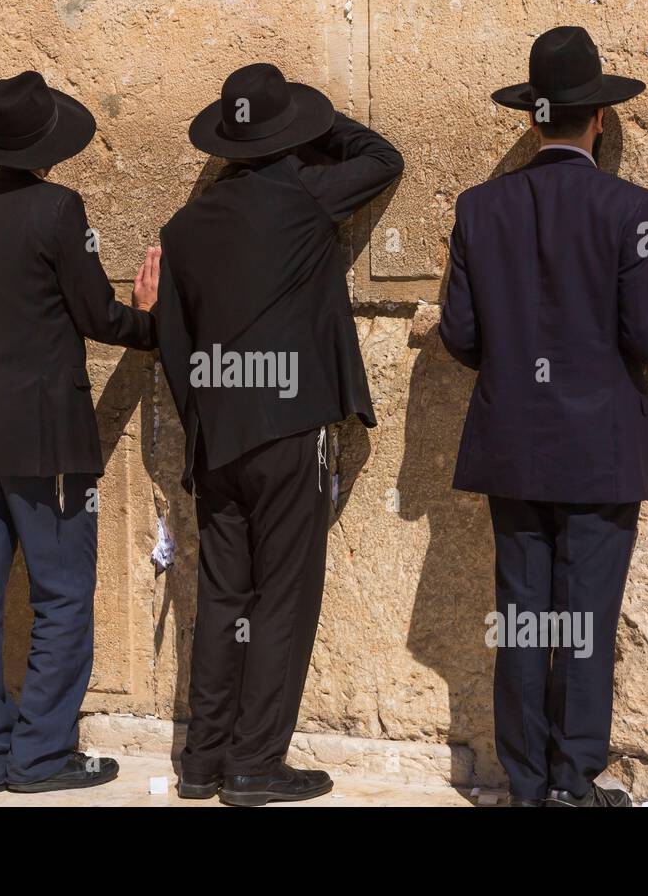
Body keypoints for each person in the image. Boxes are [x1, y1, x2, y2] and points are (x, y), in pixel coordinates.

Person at [439, 26, 648, 807]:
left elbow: (461, 338)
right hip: (597, 451)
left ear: (533, 119)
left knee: (524, 617)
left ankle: (525, 784)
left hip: (511, 449)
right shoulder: (631, 206)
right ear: (598, 119)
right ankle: (575, 783)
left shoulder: (478, 209)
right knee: (585, 619)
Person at [156, 62, 403, 806]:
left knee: (223, 597)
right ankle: (255, 763)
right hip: (288, 425)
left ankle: (201, 762)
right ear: (285, 133)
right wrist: (315, 124)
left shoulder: (185, 225)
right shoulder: (303, 195)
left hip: (218, 434)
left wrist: (204, 422)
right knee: (283, 598)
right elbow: (385, 158)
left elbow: (172, 339)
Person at [0, 70, 160, 794]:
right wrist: (149, 319)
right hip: (41, 434)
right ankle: (41, 756)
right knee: (61, 594)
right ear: (50, 144)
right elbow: (95, 315)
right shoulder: (59, 208)